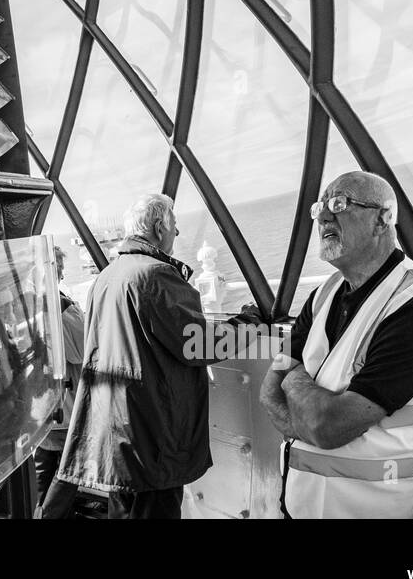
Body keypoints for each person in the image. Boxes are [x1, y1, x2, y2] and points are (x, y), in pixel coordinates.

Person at [39, 192, 258, 519]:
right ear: (159, 226)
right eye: (175, 226)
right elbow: (199, 344)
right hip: (152, 439)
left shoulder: (106, 278)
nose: (177, 234)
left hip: (117, 435)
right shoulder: (155, 276)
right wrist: (249, 324)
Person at [259, 171, 413, 519]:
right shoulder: (323, 295)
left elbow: (329, 426)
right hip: (299, 503)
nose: (324, 216)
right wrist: (309, 423)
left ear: (383, 220)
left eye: (340, 203)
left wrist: (295, 381)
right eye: (319, 208)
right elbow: (268, 393)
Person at [33, 247, 85, 501]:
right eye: (59, 271)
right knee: (67, 477)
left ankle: (39, 512)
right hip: (65, 408)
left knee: (43, 475)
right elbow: (84, 350)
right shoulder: (62, 307)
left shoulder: (24, 305)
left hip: (38, 410)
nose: (61, 278)